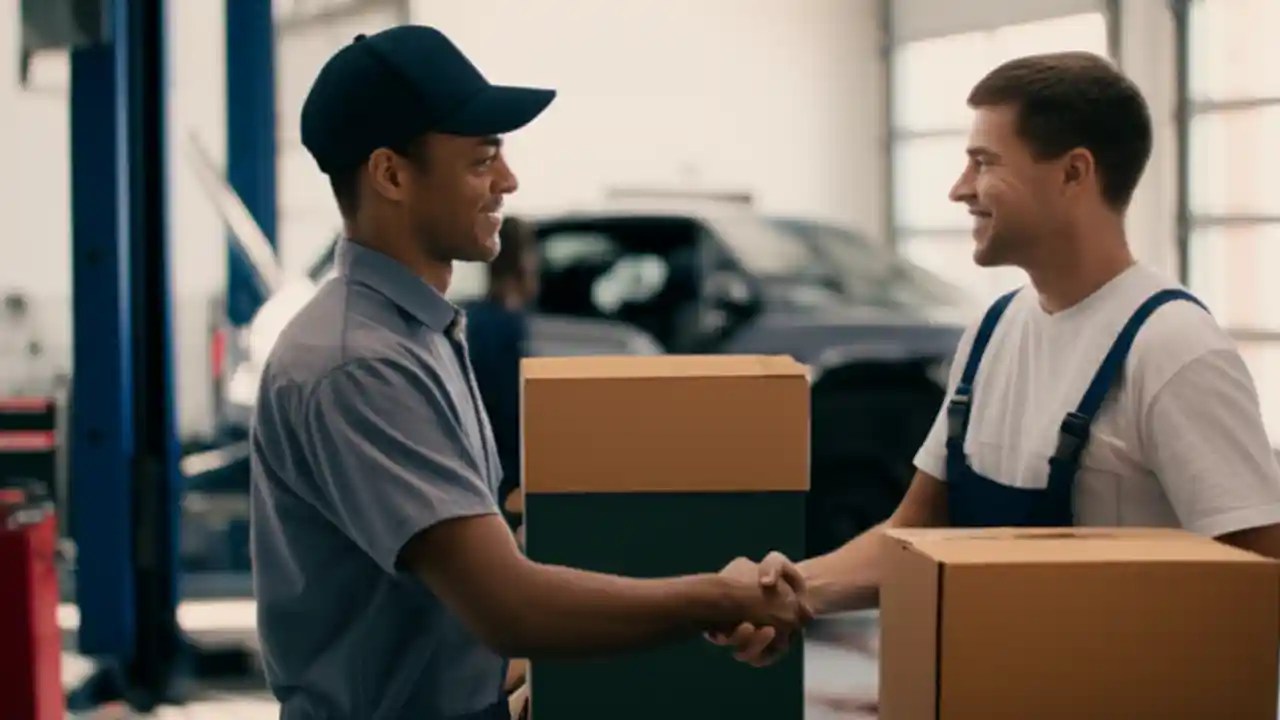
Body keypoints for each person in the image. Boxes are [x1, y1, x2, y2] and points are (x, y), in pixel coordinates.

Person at [248, 25, 809, 719]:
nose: (508, 182)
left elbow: (467, 582)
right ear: (391, 175)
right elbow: (510, 608)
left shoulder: (417, 334)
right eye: (482, 160)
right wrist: (716, 599)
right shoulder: (359, 365)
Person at [715, 50, 1280, 665]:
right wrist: (792, 591)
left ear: (1073, 173)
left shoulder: (1172, 348)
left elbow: (1259, 578)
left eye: (984, 163)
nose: (960, 189)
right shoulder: (993, 331)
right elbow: (920, 532)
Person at [461, 216, 540, 515]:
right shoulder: (506, 326)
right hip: (503, 472)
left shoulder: (474, 320)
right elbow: (512, 409)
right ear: (522, 262)